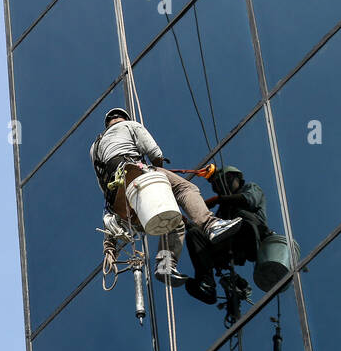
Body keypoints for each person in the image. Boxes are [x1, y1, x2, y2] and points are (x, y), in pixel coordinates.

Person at [89, 108, 240, 285]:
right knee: (185, 189)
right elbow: (154, 153)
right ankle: (211, 225)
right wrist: (157, 167)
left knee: (175, 222)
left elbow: (102, 181)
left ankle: (165, 267)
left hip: (118, 197)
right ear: (123, 118)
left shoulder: (95, 147)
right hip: (134, 172)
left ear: (108, 122)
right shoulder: (130, 125)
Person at [183, 165, 272, 306]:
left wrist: (219, 199)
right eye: (217, 187)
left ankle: (236, 246)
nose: (222, 188)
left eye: (226, 181)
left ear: (236, 178)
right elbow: (208, 232)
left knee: (241, 216)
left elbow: (249, 201)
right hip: (231, 243)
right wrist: (187, 223)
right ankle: (206, 284)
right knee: (195, 233)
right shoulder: (224, 210)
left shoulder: (251, 188)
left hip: (249, 233)